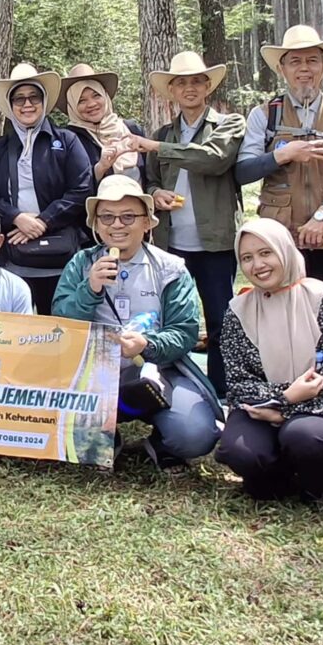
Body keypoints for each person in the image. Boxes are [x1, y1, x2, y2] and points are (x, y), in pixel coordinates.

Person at [52, 176, 221, 469]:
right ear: (96, 224)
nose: (117, 225)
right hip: (93, 373)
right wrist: (89, 288)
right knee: (68, 436)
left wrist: (148, 344)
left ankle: (162, 444)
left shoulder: (170, 268)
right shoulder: (81, 264)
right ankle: (108, 437)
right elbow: (62, 324)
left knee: (195, 435)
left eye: (128, 216)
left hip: (157, 372)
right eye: (107, 217)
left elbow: (185, 331)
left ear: (147, 223)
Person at [214, 218, 323, 512]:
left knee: (303, 436)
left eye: (266, 252)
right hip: (264, 409)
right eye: (247, 258)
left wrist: (280, 410)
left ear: (284, 250)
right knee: (240, 451)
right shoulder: (238, 311)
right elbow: (238, 384)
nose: (257, 264)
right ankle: (281, 478)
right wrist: (288, 396)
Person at [234, 25, 323, 322]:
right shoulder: (263, 116)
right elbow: (243, 171)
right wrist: (284, 154)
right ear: (282, 68)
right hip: (283, 242)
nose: (304, 69)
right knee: (287, 319)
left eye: (312, 61)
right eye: (295, 62)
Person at [131, 50, 247, 390]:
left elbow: (214, 159)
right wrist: (154, 195)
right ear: (172, 91)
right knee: (172, 319)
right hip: (172, 244)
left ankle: (222, 391)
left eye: (197, 81)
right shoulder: (164, 133)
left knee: (220, 319)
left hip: (215, 242)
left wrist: (155, 146)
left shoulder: (228, 124)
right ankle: (170, 387)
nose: (190, 88)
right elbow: (150, 179)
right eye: (181, 83)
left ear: (207, 85)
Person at [0, 62, 94, 314]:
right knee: (13, 324)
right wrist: (16, 217)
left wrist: (42, 222)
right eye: (19, 99)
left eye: (33, 97)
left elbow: (82, 189)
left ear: (44, 101)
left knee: (59, 323)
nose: (27, 105)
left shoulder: (66, 140)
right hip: (13, 250)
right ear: (11, 105)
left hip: (61, 249)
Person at [60, 64, 144, 184]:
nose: (91, 104)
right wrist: (100, 169)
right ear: (72, 106)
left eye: (96, 95)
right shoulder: (69, 139)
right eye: (81, 100)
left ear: (105, 96)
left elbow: (151, 176)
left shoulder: (131, 129)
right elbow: (72, 187)